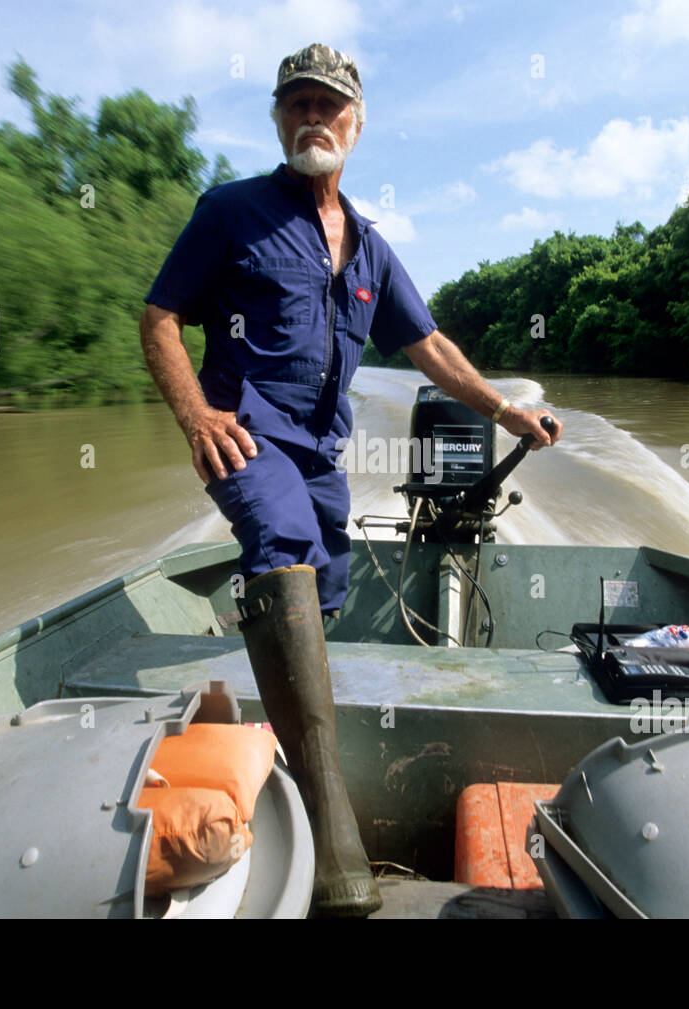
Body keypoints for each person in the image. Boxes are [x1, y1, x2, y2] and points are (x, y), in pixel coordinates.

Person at [139, 42, 563, 917]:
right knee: (282, 540)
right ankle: (336, 841)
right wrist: (196, 415)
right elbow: (160, 316)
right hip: (249, 438)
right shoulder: (232, 212)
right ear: (276, 117)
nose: (311, 118)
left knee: (322, 585)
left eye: (328, 106)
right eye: (295, 103)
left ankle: (287, 705)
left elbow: (431, 349)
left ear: (356, 126)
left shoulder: (369, 246)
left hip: (323, 458)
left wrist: (506, 410)